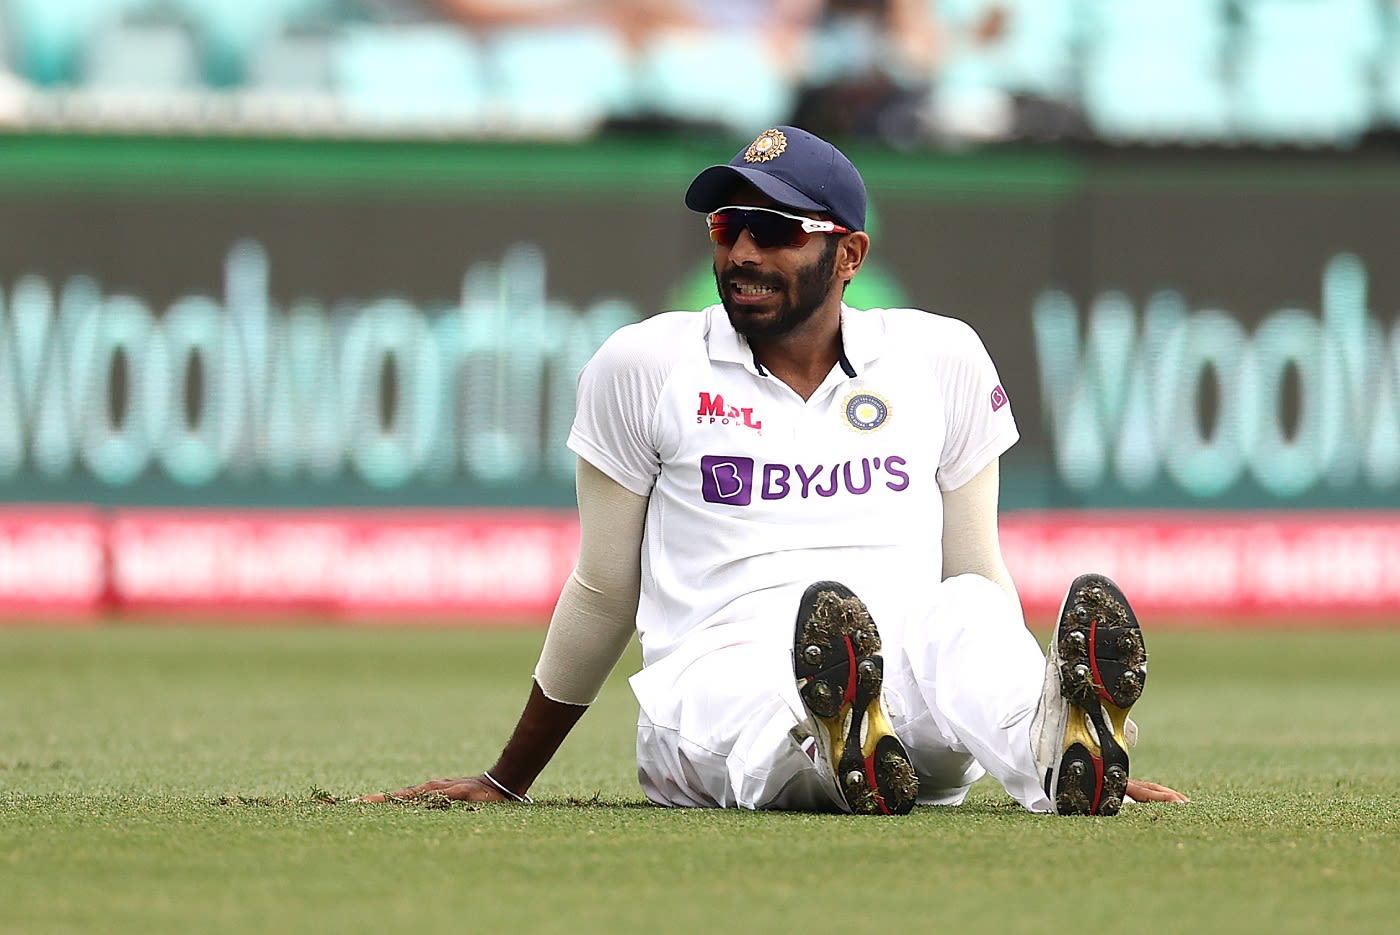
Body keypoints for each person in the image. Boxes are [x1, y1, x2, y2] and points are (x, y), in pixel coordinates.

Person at [357, 126, 1187, 815]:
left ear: (850, 253)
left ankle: (1058, 751)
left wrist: (1023, 716)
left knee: (964, 606)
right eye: (728, 228)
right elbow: (603, 591)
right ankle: (839, 743)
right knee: (760, 699)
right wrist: (509, 777)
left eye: (778, 230)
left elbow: (976, 572)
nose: (745, 251)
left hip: (903, 698)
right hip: (715, 686)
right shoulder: (643, 364)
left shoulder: (942, 355)